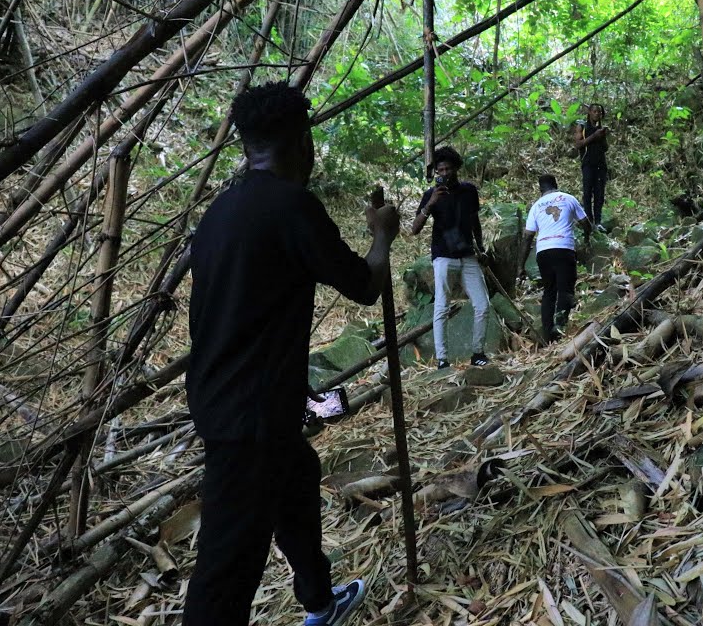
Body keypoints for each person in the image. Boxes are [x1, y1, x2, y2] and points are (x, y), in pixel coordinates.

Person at [184, 81, 399, 626]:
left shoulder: (220, 212)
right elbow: (365, 284)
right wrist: (382, 235)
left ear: (244, 145)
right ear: (301, 141)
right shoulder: (290, 206)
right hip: (248, 418)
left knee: (297, 482)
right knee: (224, 574)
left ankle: (320, 601)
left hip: (238, 404)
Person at [410, 146, 491, 369]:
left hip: (467, 254)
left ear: (455, 169)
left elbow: (475, 221)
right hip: (443, 255)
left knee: (482, 305)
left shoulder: (469, 191)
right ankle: (443, 359)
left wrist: (481, 247)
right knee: (442, 307)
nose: (444, 173)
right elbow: (414, 229)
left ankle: (478, 353)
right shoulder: (431, 195)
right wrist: (430, 204)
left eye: (448, 168)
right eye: (440, 169)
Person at [519, 174, 592, 342]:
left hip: (543, 251)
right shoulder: (568, 198)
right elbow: (585, 223)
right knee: (565, 288)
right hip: (563, 247)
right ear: (556, 184)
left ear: (540, 189)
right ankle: (559, 326)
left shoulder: (536, 206)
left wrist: (520, 267)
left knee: (549, 291)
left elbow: (527, 237)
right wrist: (587, 238)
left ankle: (547, 334)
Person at [574, 103, 610, 231]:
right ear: (589, 112)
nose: (597, 114)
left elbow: (605, 148)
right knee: (588, 192)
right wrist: (594, 136)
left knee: (599, 193)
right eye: (594, 111)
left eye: (599, 112)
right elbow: (578, 144)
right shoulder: (582, 126)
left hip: (601, 164)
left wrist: (603, 136)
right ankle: (588, 219)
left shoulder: (600, 128)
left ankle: (598, 221)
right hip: (588, 164)